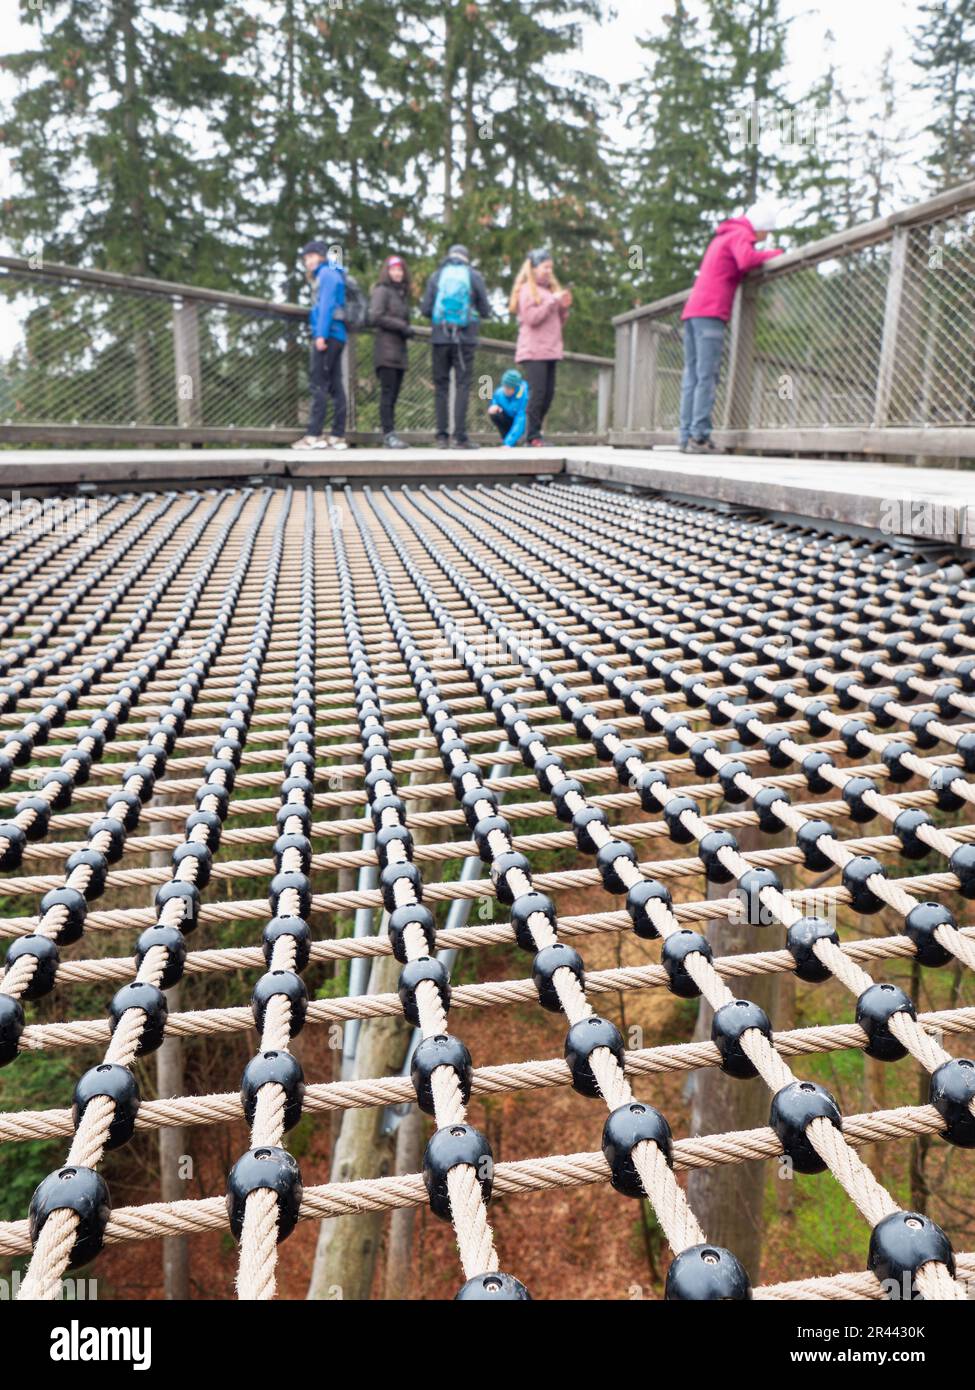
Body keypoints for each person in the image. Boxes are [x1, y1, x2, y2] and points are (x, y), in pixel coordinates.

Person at [679, 201, 784, 454]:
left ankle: (686, 436)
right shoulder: (741, 235)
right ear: (759, 228)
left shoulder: (725, 234)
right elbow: (746, 260)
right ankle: (699, 437)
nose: (763, 239)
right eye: (765, 233)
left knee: (692, 376)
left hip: (693, 311)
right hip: (711, 312)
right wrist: (775, 254)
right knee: (707, 376)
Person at [420, 244, 492, 449]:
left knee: (441, 387)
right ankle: (459, 437)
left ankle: (441, 437)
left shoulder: (437, 276)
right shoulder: (473, 276)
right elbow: (485, 309)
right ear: (466, 258)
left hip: (440, 337)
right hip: (465, 339)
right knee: (462, 385)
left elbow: (426, 309)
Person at [292, 239, 349, 451]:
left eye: (310, 256)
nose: (307, 262)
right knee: (335, 383)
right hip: (338, 335)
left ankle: (314, 435)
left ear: (321, 256)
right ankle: (337, 435)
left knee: (318, 383)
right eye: (305, 258)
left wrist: (320, 335)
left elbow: (325, 306)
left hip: (328, 335)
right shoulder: (335, 274)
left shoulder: (326, 275)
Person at [511, 248, 571, 446]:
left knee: (548, 393)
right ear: (534, 268)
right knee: (537, 394)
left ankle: (534, 432)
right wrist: (552, 303)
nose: (548, 271)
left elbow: (558, 323)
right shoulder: (527, 290)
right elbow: (531, 318)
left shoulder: (549, 291)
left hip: (551, 349)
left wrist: (563, 307)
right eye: (545, 267)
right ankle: (532, 436)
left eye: (550, 268)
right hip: (533, 350)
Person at [368, 254, 414, 449]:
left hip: (399, 353)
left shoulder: (401, 294)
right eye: (393, 269)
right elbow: (375, 316)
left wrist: (406, 329)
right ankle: (388, 434)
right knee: (387, 394)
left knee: (394, 394)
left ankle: (391, 433)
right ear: (387, 271)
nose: (397, 273)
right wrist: (402, 326)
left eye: (400, 269)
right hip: (386, 351)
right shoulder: (382, 291)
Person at [487, 368, 530, 447]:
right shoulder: (499, 392)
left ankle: (511, 441)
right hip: (509, 418)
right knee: (494, 413)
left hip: (522, 423)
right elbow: (494, 401)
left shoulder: (522, 395)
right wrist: (494, 405)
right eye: (505, 386)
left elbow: (520, 419)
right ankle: (507, 441)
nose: (506, 390)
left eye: (509, 388)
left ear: (515, 388)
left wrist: (508, 443)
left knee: (527, 419)